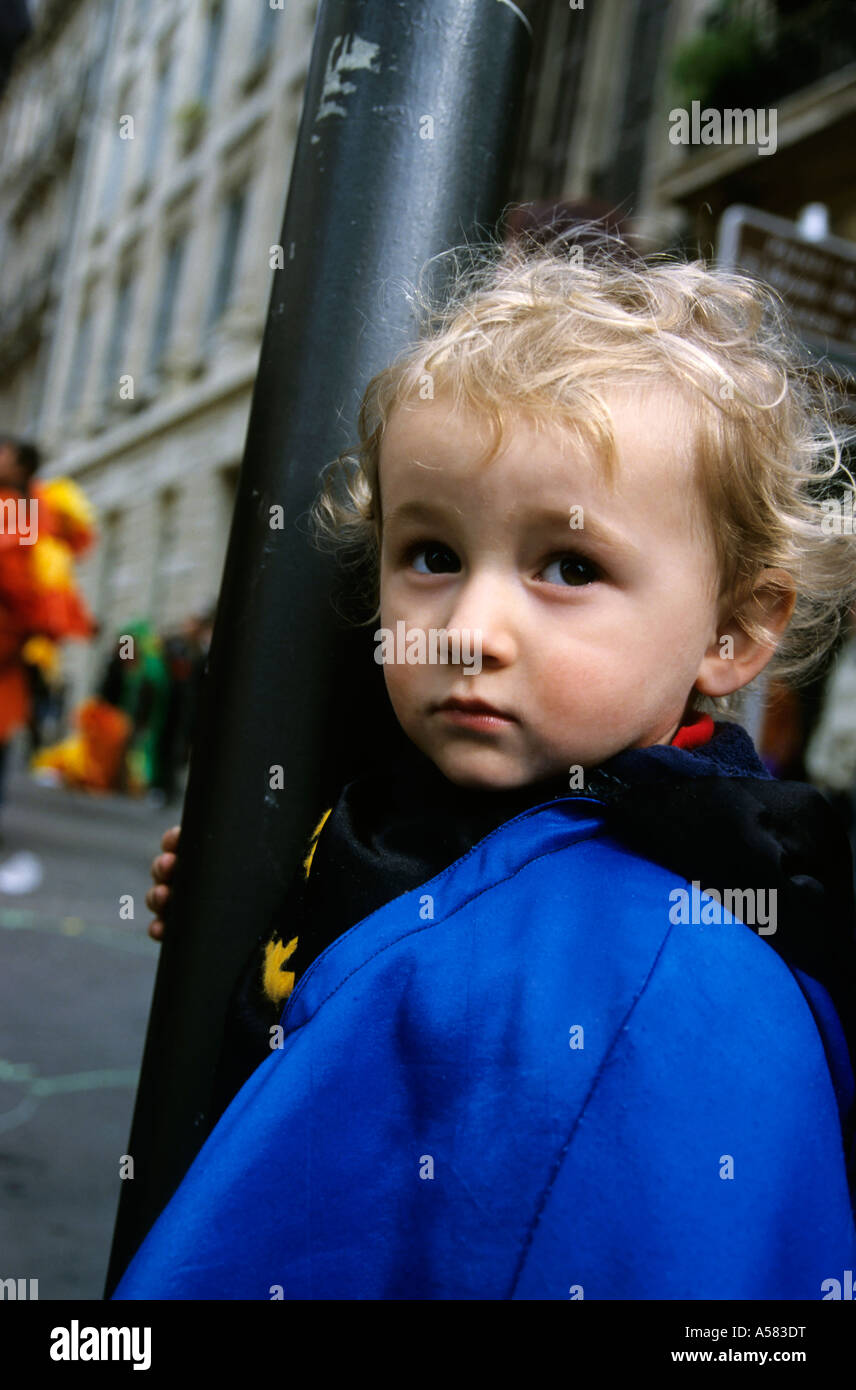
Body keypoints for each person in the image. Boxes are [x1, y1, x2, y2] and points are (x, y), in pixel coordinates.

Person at [115, 235, 856, 1300]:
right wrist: (259, 914)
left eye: (569, 567)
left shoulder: (688, 938)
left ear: (733, 630)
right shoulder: (400, 801)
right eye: (432, 555)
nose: (467, 628)